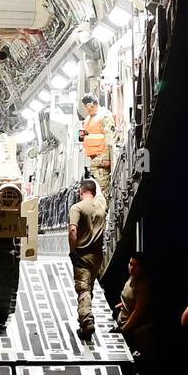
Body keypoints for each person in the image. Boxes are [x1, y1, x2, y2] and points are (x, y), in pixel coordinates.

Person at [68, 178, 106, 343]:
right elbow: (100, 192)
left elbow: (73, 230)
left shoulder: (77, 208)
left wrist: (72, 251)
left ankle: (86, 322)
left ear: (80, 192)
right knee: (89, 288)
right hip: (97, 257)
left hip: (82, 256)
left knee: (83, 289)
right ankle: (87, 315)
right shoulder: (101, 204)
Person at [78, 93, 115, 203]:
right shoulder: (88, 119)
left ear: (91, 105)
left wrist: (108, 158)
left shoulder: (105, 116)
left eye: (85, 106)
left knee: (102, 191)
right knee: (96, 191)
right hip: (94, 160)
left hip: (102, 159)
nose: (84, 109)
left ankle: (104, 210)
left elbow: (109, 139)